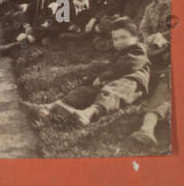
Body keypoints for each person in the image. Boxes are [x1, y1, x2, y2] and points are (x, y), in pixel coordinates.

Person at [21, 20, 150, 127]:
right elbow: (113, 68)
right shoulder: (120, 52)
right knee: (84, 91)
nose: (119, 42)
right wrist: (92, 80)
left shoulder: (138, 50)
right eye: (115, 39)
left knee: (112, 92)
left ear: (136, 38)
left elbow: (128, 65)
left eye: (123, 37)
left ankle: (88, 114)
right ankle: (50, 107)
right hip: (113, 79)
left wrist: (104, 77)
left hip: (133, 82)